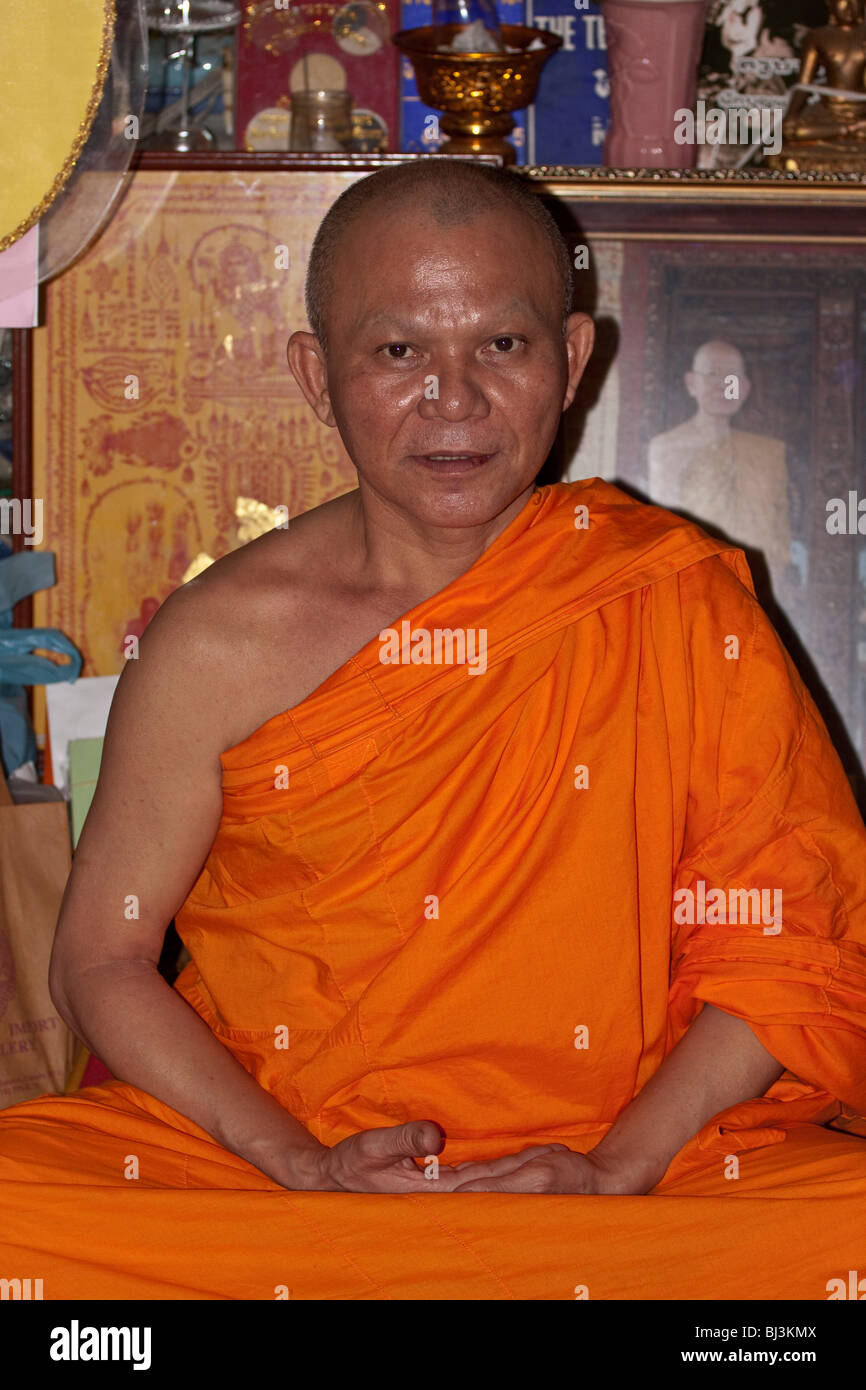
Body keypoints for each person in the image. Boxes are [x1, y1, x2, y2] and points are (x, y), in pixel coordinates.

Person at [1, 159, 865, 1301]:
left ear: (570, 359)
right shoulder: (218, 642)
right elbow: (99, 957)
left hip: (637, 1162)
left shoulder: (671, 599)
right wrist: (298, 1163)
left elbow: (782, 946)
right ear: (316, 373)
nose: (451, 399)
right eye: (397, 350)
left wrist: (612, 1171)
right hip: (287, 1163)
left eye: (498, 347)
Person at [647, 339, 792, 583]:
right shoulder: (668, 448)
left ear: (745, 389)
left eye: (732, 377)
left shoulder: (769, 452)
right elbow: (663, 533)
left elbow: (780, 534)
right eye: (712, 374)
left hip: (758, 583)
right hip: (693, 583)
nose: (722, 386)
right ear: (691, 383)